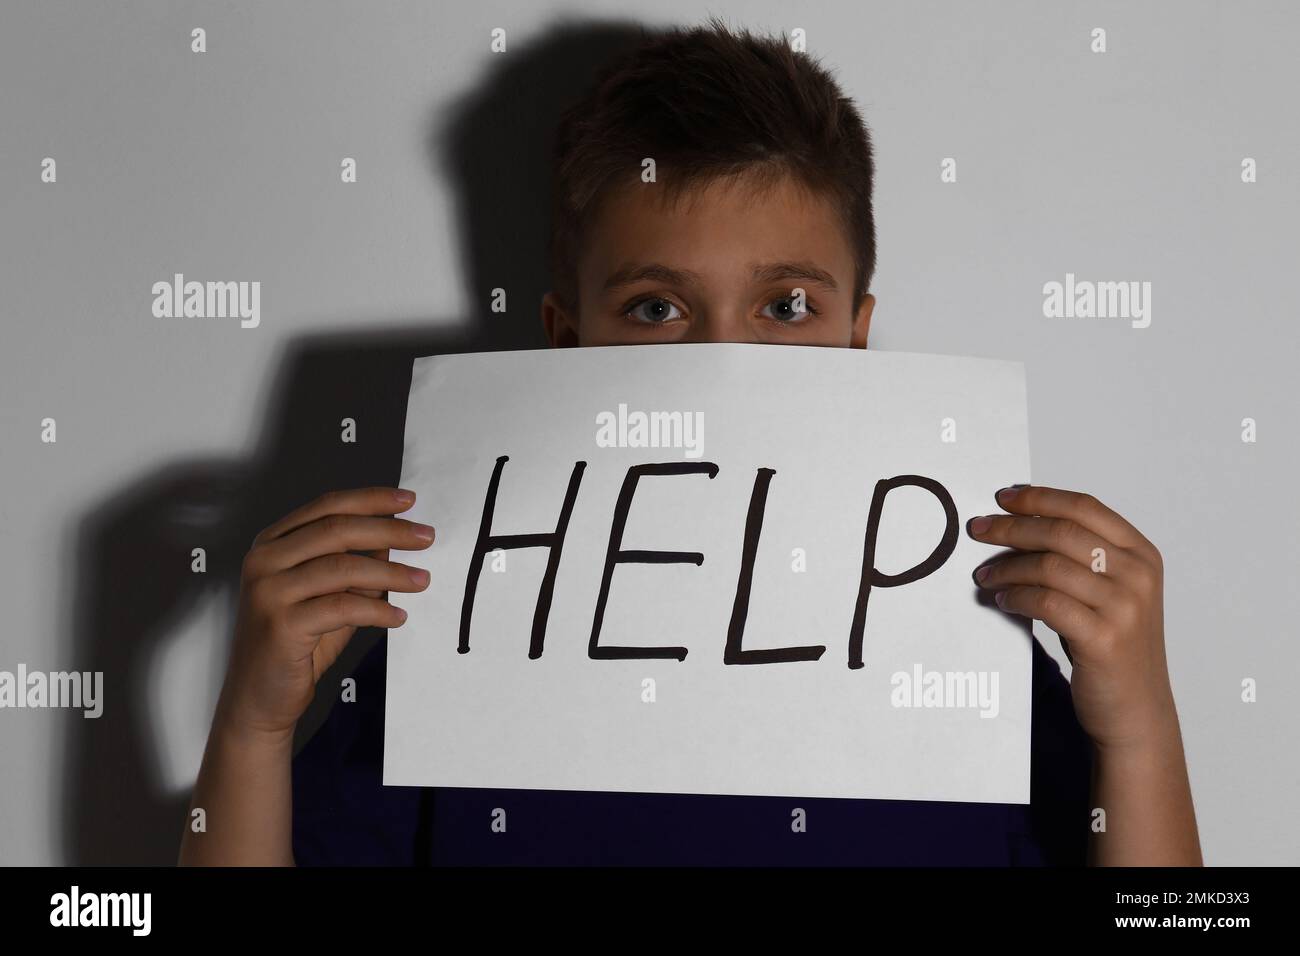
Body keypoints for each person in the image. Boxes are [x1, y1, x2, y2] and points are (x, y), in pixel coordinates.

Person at [178, 18, 1201, 866]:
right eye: (656, 308)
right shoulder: (458, 639)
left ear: (858, 336)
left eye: (785, 305)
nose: (722, 362)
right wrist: (250, 733)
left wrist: (1141, 729)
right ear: (565, 342)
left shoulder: (959, 634)